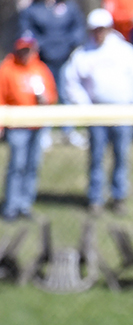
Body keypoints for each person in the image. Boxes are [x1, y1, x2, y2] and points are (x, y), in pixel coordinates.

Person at [62, 8, 133, 216]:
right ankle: (95, 198)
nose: (98, 33)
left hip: (122, 112)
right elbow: (71, 81)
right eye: (95, 29)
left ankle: (119, 197)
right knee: (96, 156)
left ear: (109, 29)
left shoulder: (125, 51)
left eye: (102, 29)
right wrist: (85, 105)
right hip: (97, 114)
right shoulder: (83, 54)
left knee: (120, 156)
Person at [1, 31, 57, 222]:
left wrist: (45, 98)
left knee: (33, 166)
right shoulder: (7, 68)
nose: (26, 53)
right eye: (23, 50)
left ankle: (25, 204)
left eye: (29, 49)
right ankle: (11, 206)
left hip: (36, 125)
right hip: (17, 126)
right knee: (17, 165)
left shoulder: (40, 68)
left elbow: (51, 95)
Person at [17, 0, 87, 148]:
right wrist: (43, 47)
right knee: (45, 97)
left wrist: (68, 45)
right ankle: (45, 132)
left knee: (65, 94)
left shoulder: (68, 6)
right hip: (42, 61)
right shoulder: (34, 9)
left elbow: (78, 28)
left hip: (66, 59)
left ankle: (68, 130)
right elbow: (27, 32)